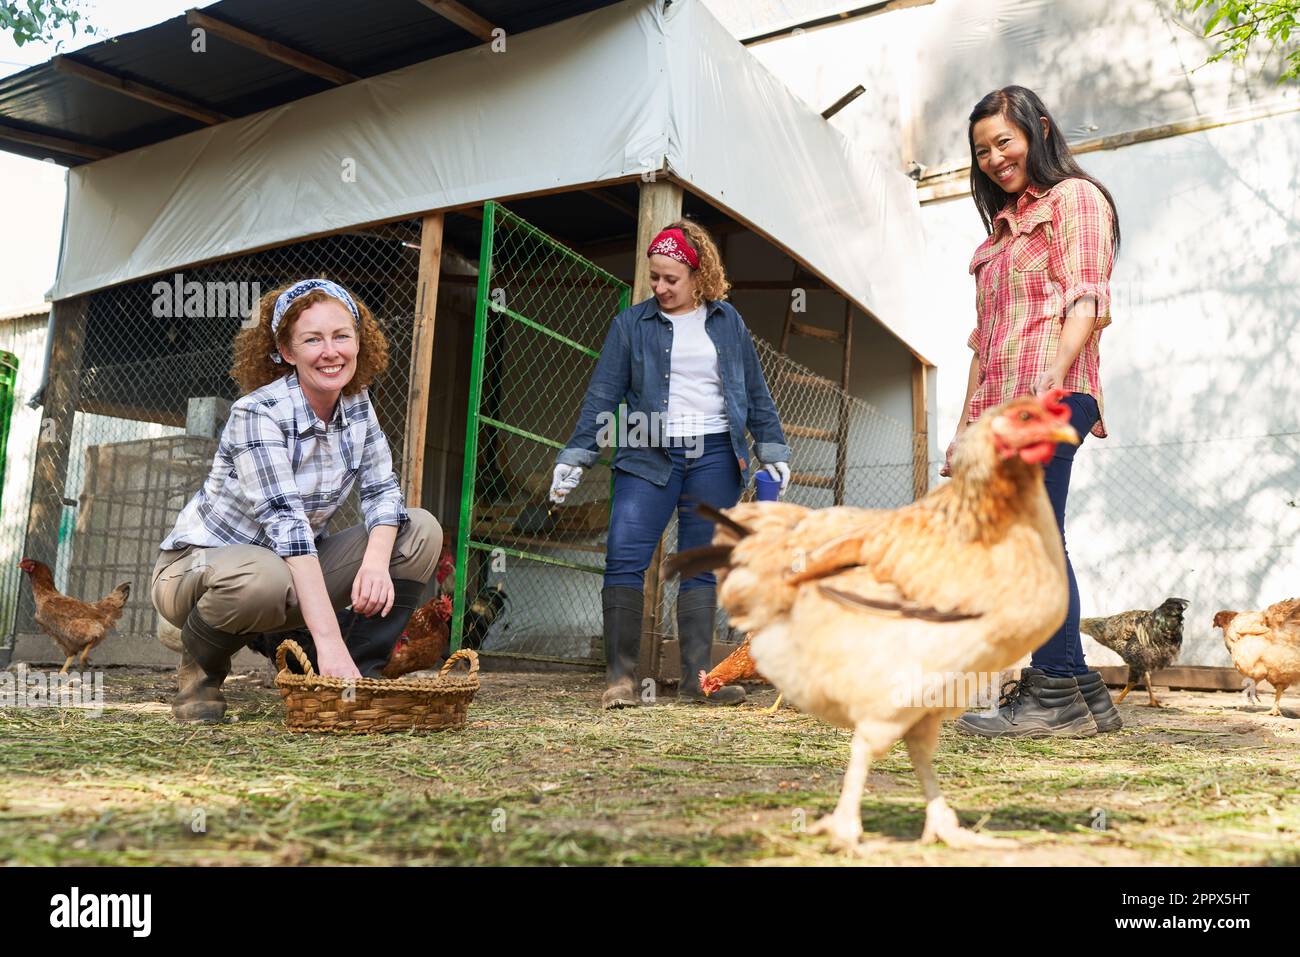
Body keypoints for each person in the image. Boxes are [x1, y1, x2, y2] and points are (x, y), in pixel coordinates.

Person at [152, 278, 442, 723]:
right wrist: (328, 641)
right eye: (312, 340)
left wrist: (376, 562)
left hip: (286, 570)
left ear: (359, 342)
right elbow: (287, 527)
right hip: (194, 569)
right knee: (262, 576)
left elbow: (384, 491)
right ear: (286, 352)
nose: (331, 352)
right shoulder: (257, 413)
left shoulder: (358, 403)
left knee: (419, 530)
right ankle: (201, 670)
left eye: (342, 336)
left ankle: (357, 677)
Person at [942, 86, 1124, 737]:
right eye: (982, 149)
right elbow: (983, 342)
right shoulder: (1000, 232)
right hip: (1003, 410)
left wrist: (1046, 384)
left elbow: (1088, 301)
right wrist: (967, 424)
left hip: (1048, 399)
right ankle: (1078, 689)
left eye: (1004, 141)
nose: (993, 157)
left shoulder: (1075, 200)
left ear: (1039, 131)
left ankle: (1052, 695)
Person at [550, 221, 791, 709]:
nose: (659, 287)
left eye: (670, 279)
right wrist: (577, 455)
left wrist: (773, 449)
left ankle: (694, 682)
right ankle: (620, 680)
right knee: (623, 554)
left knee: (700, 567)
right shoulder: (631, 325)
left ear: (698, 276)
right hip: (647, 452)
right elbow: (604, 395)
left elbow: (755, 393)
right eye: (654, 277)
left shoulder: (728, 322)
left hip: (716, 454)